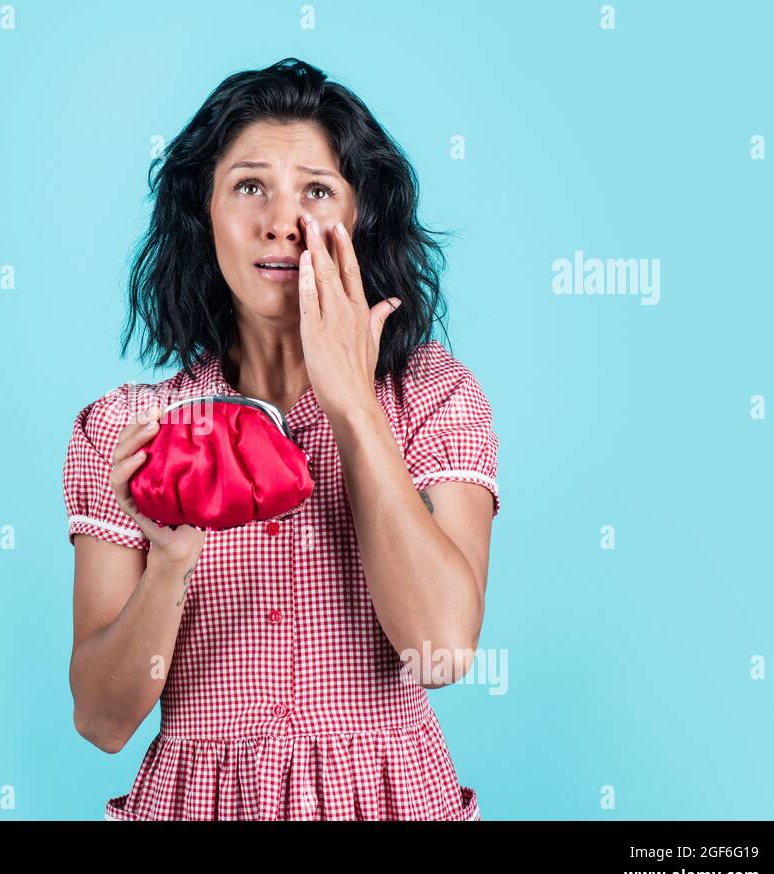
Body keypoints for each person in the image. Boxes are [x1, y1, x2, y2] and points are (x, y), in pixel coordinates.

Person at [63, 58, 498, 821]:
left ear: (360, 217)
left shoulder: (432, 398)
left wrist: (354, 408)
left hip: (391, 800)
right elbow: (102, 722)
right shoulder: (125, 431)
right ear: (206, 212)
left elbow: (443, 647)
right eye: (250, 185)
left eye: (318, 191)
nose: (281, 221)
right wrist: (168, 565)